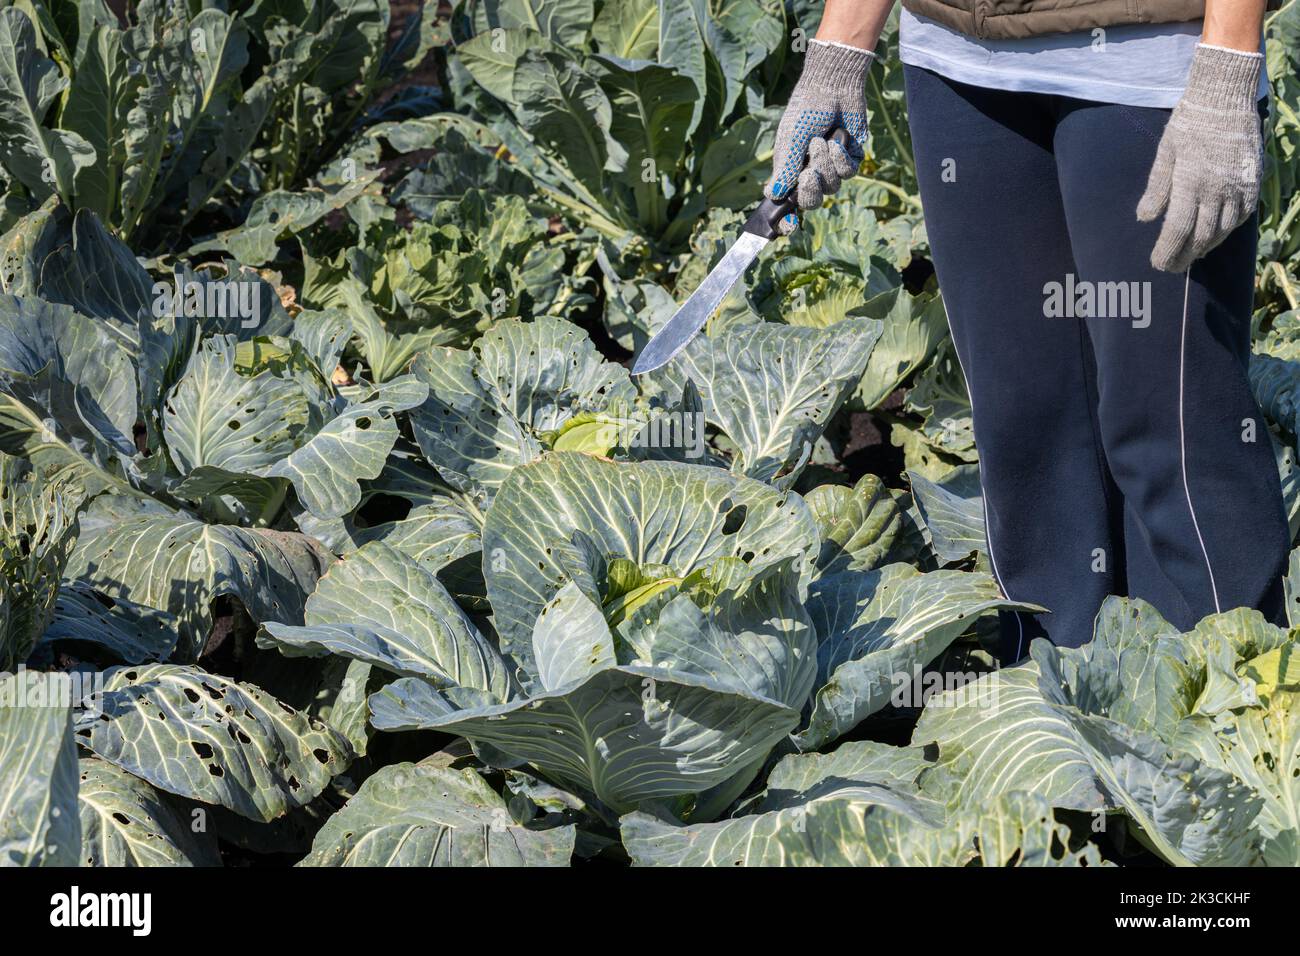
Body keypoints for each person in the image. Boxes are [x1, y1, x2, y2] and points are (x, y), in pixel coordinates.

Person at [768, 0, 1289, 659]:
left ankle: (1219, 704)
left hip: (1151, 58)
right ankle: (1056, 700)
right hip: (957, 62)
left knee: (1171, 430)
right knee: (1024, 425)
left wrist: (1228, 61)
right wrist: (840, 47)